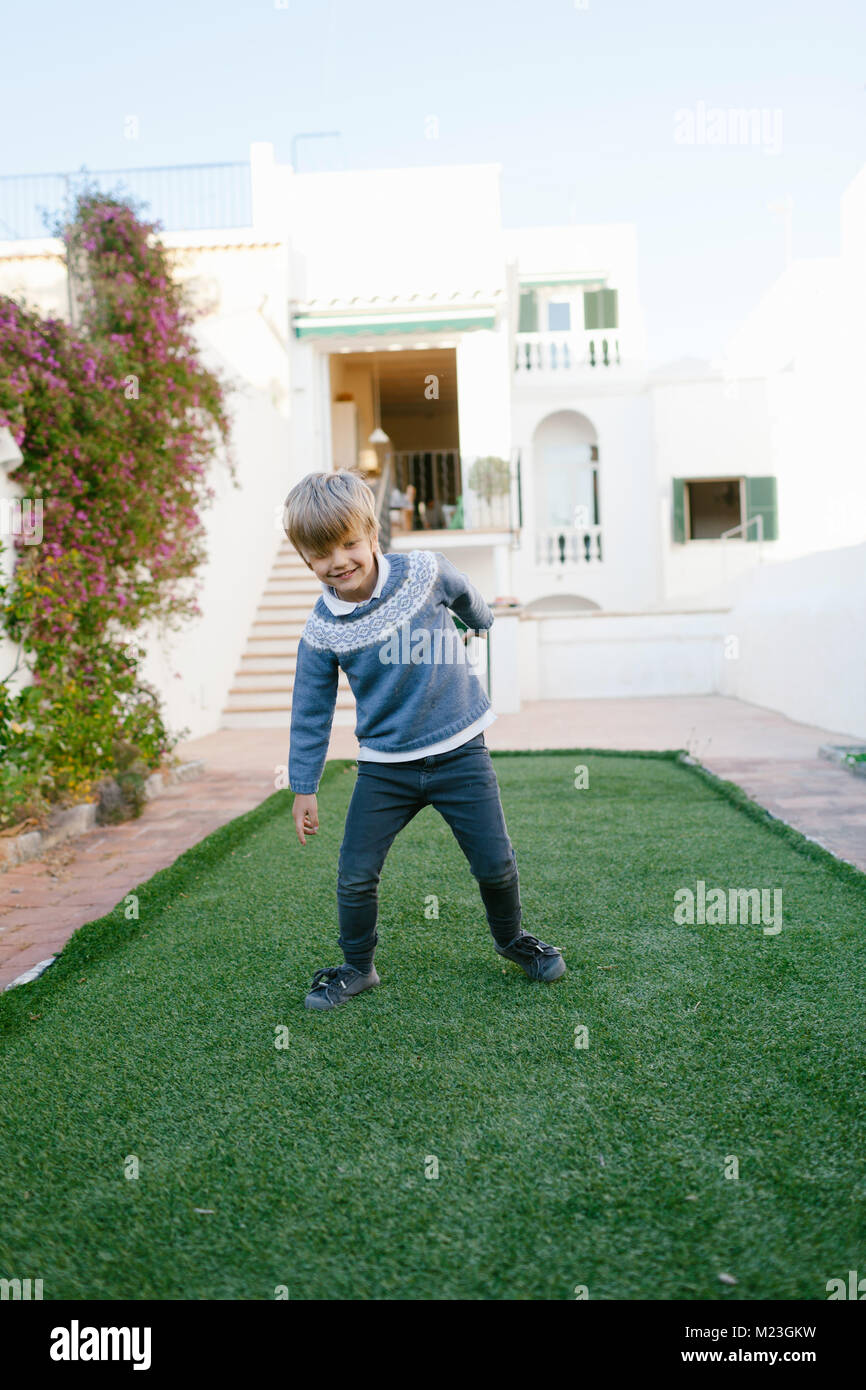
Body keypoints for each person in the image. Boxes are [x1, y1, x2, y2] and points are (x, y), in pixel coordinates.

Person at [282, 469, 566, 1010]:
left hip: (460, 751)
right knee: (355, 874)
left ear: (370, 533)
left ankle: (512, 941)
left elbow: (465, 595)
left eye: (348, 543)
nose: (339, 561)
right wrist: (304, 786)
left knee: (495, 863)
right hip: (386, 768)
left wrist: (478, 621)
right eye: (322, 553)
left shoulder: (424, 571)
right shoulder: (321, 631)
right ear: (306, 559)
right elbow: (310, 711)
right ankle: (357, 967)